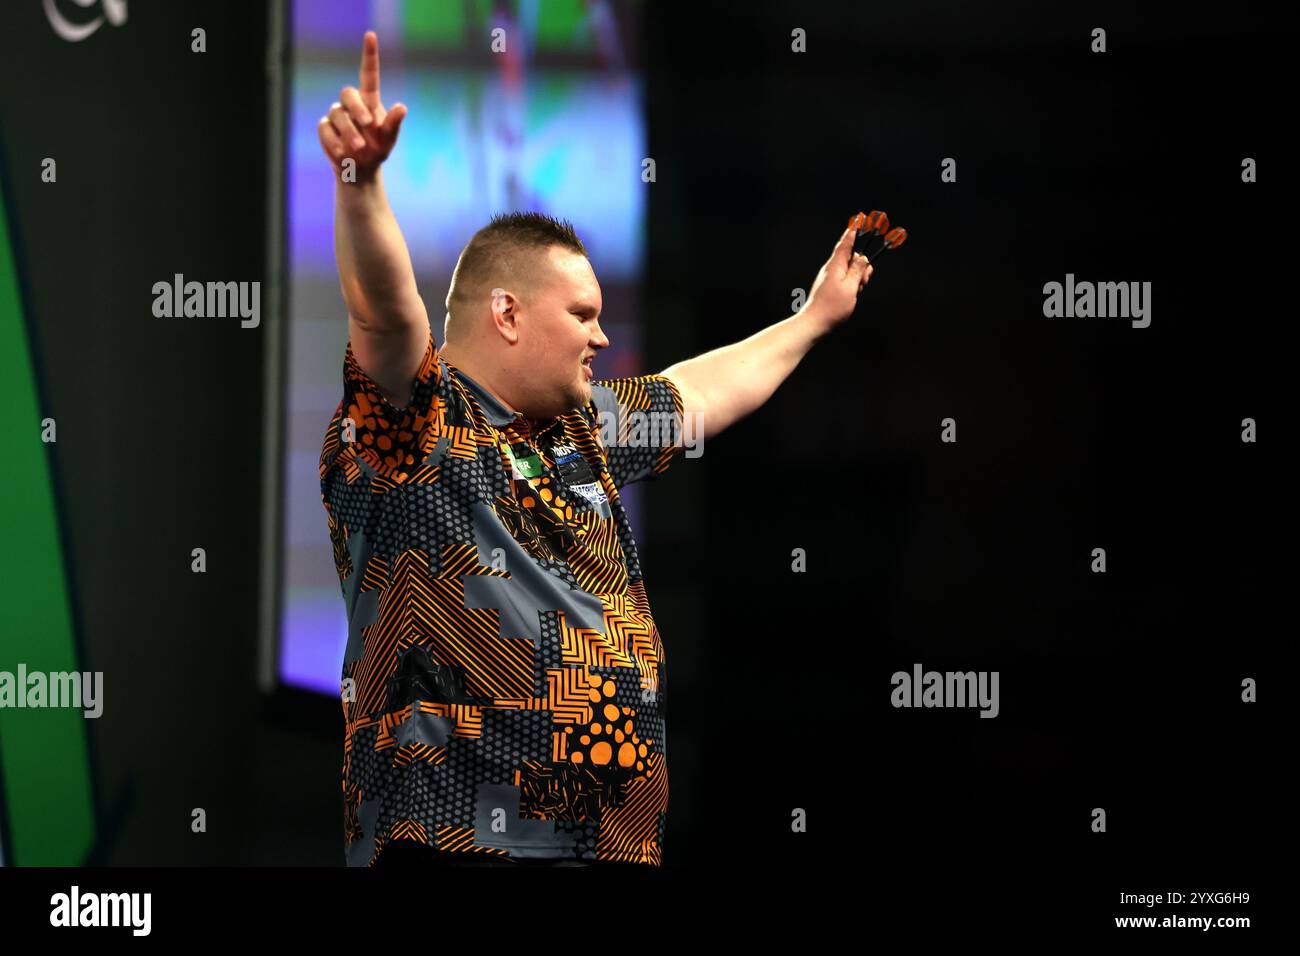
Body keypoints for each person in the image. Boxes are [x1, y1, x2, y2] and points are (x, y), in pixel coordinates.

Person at [316, 31, 874, 868]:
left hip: (605, 849)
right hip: (455, 845)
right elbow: (385, 317)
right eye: (581, 314)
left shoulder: (585, 429)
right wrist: (360, 186)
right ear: (507, 313)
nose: (601, 336)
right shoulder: (418, 422)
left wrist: (812, 320)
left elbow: (698, 393)